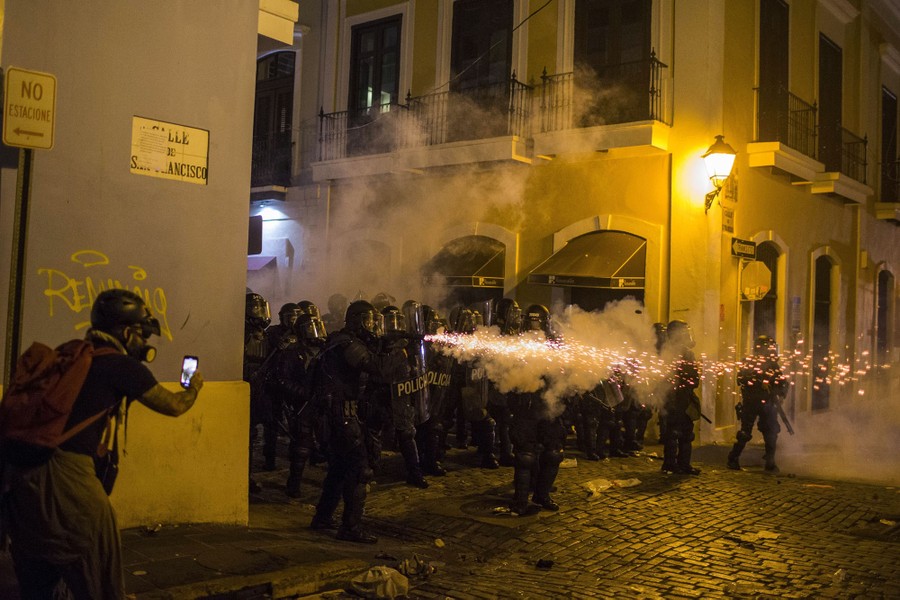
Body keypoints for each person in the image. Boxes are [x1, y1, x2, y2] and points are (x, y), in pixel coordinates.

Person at [2, 289, 203, 600]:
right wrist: (193, 389)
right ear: (125, 332)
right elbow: (174, 406)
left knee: (39, 581)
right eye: (141, 335)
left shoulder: (73, 355)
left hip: (23, 476)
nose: (144, 343)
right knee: (99, 562)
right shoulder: (122, 366)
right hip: (67, 481)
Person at [308, 300, 406, 543]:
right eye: (370, 321)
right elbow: (378, 368)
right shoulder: (347, 344)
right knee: (360, 469)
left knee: (339, 469)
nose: (373, 326)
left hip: (341, 414)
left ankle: (322, 517)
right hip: (341, 415)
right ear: (357, 321)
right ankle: (350, 527)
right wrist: (397, 350)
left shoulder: (346, 342)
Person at [507, 304, 566, 515]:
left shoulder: (555, 344)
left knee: (553, 454)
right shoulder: (518, 344)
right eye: (531, 321)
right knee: (525, 457)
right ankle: (520, 500)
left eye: (537, 321)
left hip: (549, 405)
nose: (534, 325)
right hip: (526, 406)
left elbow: (564, 374)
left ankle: (542, 495)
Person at [271, 312, 326, 497]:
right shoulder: (292, 353)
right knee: (301, 446)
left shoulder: (324, 351)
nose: (315, 332)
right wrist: (302, 393)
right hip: (301, 405)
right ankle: (293, 483)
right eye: (310, 328)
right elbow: (283, 380)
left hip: (320, 403)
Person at [445, 306, 499, 469]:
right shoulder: (449, 339)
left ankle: (486, 453)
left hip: (472, 386)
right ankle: (435, 455)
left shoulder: (479, 342)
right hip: (452, 385)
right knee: (442, 421)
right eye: (466, 322)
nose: (470, 326)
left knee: (484, 420)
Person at [728, 335, 789, 472]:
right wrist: (758, 383)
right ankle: (733, 458)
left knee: (771, 432)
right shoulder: (748, 362)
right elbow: (741, 380)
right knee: (745, 433)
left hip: (768, 403)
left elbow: (783, 382)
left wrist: (780, 394)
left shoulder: (773, 364)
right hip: (751, 402)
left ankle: (770, 461)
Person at [659, 320, 702, 475]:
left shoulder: (687, 353)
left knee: (687, 433)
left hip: (685, 397)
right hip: (673, 398)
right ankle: (669, 463)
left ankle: (684, 464)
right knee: (673, 432)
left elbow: (693, 377)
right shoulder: (668, 352)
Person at [244, 292, 275, 490]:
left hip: (262, 387)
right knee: (246, 433)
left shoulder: (267, 335)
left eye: (261, 308)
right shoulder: (242, 332)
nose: (260, 313)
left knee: (255, 432)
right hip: (247, 384)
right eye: (255, 309)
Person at [488, 298, 521, 466]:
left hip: (511, 381)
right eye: (513, 310)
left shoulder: (514, 331)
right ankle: (501, 452)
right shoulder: (497, 332)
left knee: (508, 420)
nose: (516, 314)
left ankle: (506, 450)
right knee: (501, 420)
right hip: (498, 382)